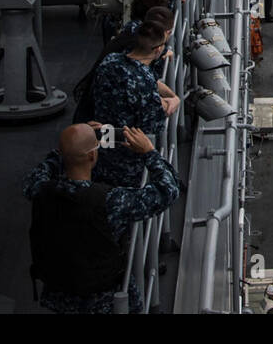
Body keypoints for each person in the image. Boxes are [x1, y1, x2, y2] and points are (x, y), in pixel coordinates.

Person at [24, 122, 179, 314]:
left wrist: (69, 147)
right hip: (102, 301)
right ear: (92, 155)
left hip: (59, 297)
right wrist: (149, 152)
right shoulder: (110, 202)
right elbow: (168, 191)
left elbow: (42, 170)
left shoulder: (39, 189)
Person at [91, 21, 180, 187]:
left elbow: (146, 78)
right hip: (129, 157)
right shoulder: (143, 83)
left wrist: (168, 96)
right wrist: (169, 103)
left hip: (102, 143)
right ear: (158, 50)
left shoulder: (110, 60)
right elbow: (155, 124)